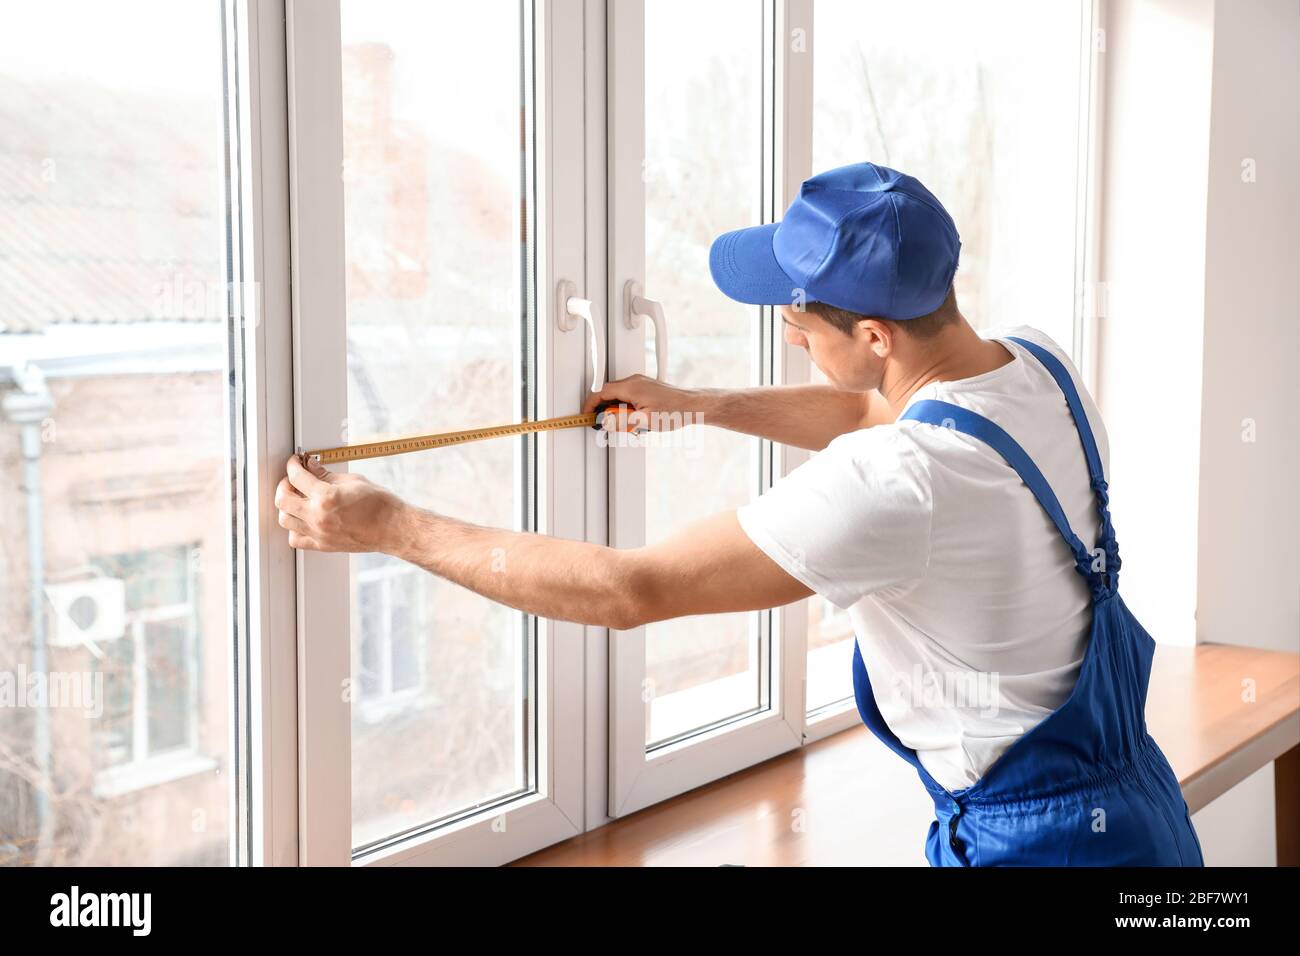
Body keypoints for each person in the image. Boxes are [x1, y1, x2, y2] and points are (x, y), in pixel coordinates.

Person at [277, 161, 1203, 866]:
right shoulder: (1034, 366)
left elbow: (627, 589)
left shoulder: (901, 482)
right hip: (1141, 808)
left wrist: (388, 526)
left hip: (1035, 849)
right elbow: (877, 405)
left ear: (873, 335)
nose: (787, 334)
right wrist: (698, 402)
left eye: (796, 323)